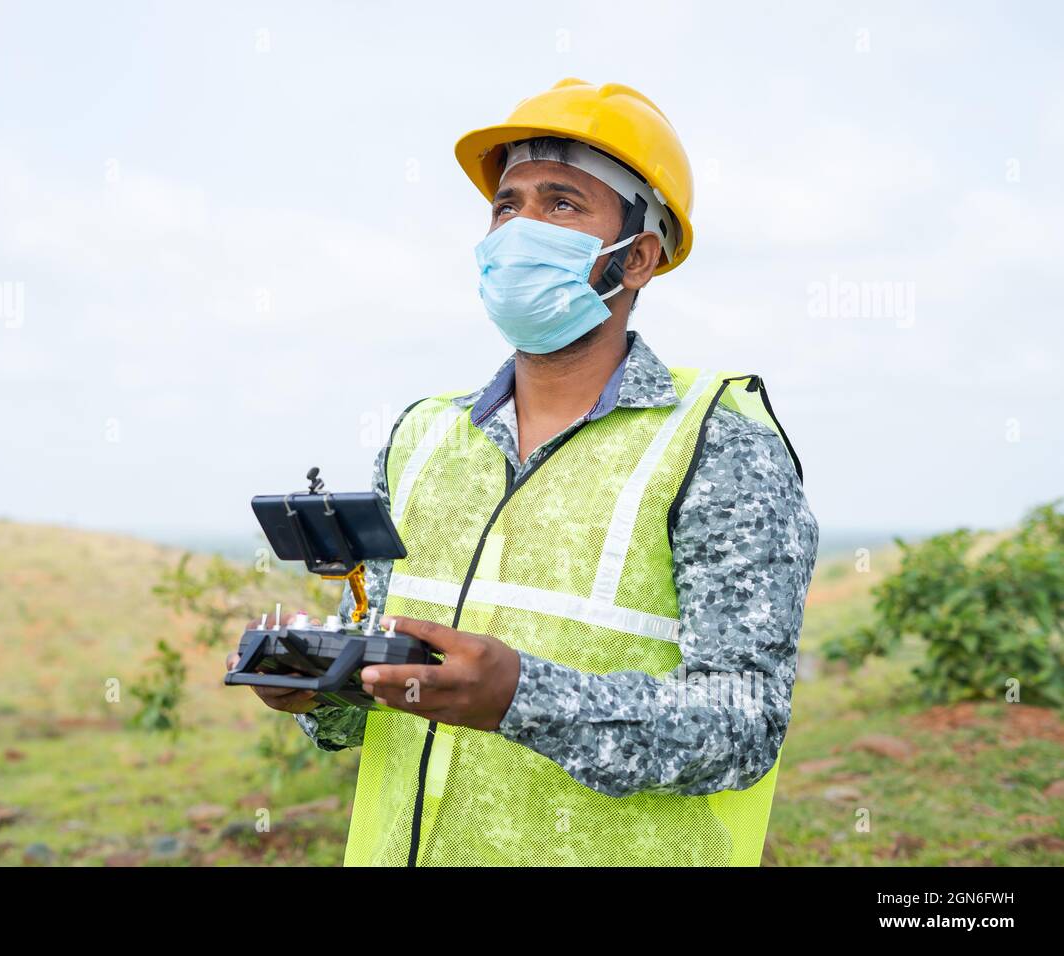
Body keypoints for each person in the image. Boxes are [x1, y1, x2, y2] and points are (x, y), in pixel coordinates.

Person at [228, 78, 818, 866]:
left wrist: (522, 699)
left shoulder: (717, 446)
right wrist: (315, 686)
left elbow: (744, 722)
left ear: (637, 257)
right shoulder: (421, 439)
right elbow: (364, 698)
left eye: (562, 205)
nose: (519, 230)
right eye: (507, 207)